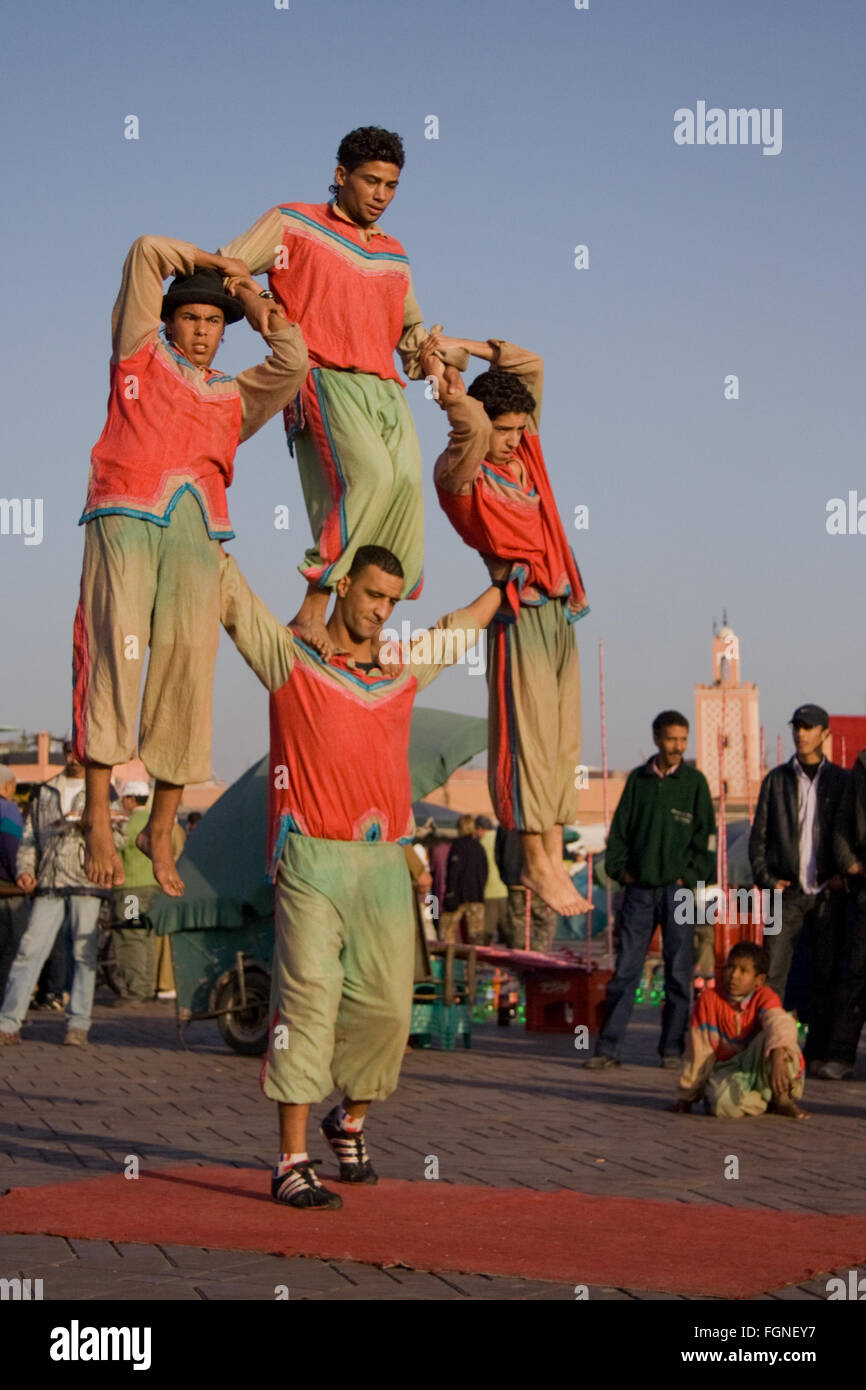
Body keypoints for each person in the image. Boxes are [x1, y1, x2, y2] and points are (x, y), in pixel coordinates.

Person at [219, 542, 501, 1209]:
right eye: (373, 595)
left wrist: (504, 585)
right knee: (308, 1000)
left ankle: (347, 1122)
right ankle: (290, 1161)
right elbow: (234, 604)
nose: (381, 610)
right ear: (343, 586)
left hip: (381, 862)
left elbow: (456, 632)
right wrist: (207, 520)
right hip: (312, 857)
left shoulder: (400, 672)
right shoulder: (293, 663)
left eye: (392, 601)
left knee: (387, 1010)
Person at [74, 235, 309, 899]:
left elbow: (293, 359)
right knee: (113, 653)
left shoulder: (235, 396)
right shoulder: (138, 355)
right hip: (125, 510)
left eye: (213, 323)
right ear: (168, 321)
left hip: (199, 527)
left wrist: (246, 292)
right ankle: (98, 815)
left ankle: (161, 824)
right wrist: (215, 264)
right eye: (191, 318)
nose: (202, 332)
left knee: (187, 666)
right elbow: (147, 251)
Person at [217, 126, 469, 657]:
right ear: (341, 176)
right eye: (371, 181)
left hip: (386, 390)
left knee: (402, 492)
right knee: (370, 479)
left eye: (392, 186)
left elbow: (410, 338)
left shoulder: (395, 255)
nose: (381, 194)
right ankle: (312, 605)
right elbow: (227, 261)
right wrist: (257, 300)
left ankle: (362, 632)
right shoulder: (294, 223)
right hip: (323, 377)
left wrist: (435, 362)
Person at [422, 335, 589, 919]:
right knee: (526, 739)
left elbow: (530, 363)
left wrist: (459, 344)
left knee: (562, 743)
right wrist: (447, 379)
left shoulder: (527, 457)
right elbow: (467, 419)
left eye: (520, 427)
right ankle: (534, 861)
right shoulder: (460, 470)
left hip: (559, 609)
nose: (515, 438)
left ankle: (553, 852)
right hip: (515, 610)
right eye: (505, 428)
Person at [586, 711, 716, 1069]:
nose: (677, 747)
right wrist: (621, 872)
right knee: (626, 970)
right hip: (640, 893)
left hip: (680, 894)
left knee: (678, 973)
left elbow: (706, 840)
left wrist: (687, 877)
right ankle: (607, 1049)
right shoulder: (638, 782)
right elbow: (620, 833)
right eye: (672, 739)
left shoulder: (695, 783)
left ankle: (672, 1050)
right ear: (657, 738)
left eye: (683, 740)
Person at [749, 704, 848, 1075]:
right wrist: (766, 878)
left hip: (827, 892)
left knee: (825, 974)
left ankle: (818, 1053)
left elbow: (847, 833)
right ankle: (765, 1049)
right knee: (771, 973)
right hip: (781, 892)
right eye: (797, 728)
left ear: (825, 733)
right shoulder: (776, 780)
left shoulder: (840, 781)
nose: (801, 734)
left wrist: (842, 876)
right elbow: (758, 837)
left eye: (809, 729)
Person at [0, 746, 114, 1046]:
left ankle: (78, 1023)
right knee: (29, 950)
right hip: (49, 881)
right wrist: (25, 869)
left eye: (81, 752)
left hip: (87, 879)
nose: (75, 758)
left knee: (83, 954)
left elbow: (119, 835)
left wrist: (89, 828)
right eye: (71, 751)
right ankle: (9, 1021)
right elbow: (28, 837)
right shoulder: (45, 790)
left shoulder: (104, 790)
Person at [672, 942, 806, 1119]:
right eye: (731, 967)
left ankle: (782, 1099)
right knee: (722, 1106)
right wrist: (687, 1096)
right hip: (729, 1070)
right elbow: (698, 1051)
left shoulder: (764, 996)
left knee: (780, 1034)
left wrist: (777, 1057)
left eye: (743, 971)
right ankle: (764, 1100)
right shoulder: (708, 999)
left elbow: (779, 1023)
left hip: (760, 1065)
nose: (733, 975)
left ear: (759, 980)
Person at [109, 781, 185, 1009]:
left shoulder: (129, 823)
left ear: (131, 799)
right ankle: (148, 986)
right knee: (146, 938)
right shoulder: (155, 822)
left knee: (132, 939)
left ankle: (136, 991)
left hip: (131, 892)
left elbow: (112, 847)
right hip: (152, 889)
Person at [818, 748, 866, 1080]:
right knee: (856, 973)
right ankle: (841, 1055)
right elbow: (843, 823)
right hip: (864, 887)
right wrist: (848, 861)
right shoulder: (862, 766)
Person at [494, 825, 554, 952]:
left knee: (517, 922)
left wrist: (506, 876)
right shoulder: (538, 818)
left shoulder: (506, 823)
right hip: (537, 879)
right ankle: (539, 955)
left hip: (514, 879)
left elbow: (497, 854)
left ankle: (520, 956)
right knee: (543, 920)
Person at [0, 767, 29, 1002]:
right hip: (133, 894)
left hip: (130, 893)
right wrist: (20, 877)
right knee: (132, 932)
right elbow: (13, 849)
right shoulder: (8, 809)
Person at [437, 814, 489, 945]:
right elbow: (484, 872)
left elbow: (453, 872)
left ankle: (449, 962)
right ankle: (476, 964)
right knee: (476, 938)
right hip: (476, 897)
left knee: (446, 934)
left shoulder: (458, 846)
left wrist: (450, 893)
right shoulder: (479, 847)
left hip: (457, 897)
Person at [478, 815, 508, 945]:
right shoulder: (500, 839)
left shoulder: (481, 844)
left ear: (480, 829)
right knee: (508, 929)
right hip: (505, 889)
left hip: (489, 890)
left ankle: (480, 961)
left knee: (487, 930)